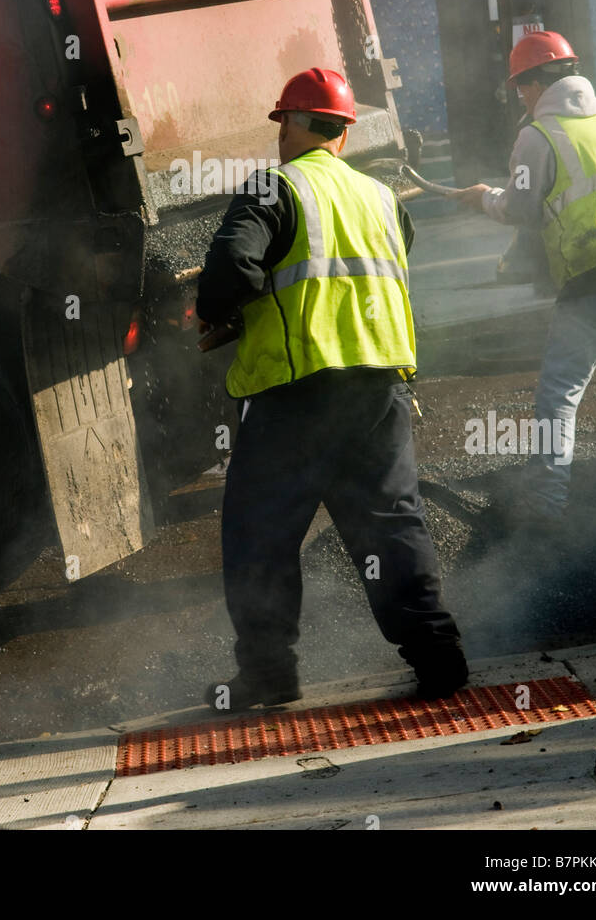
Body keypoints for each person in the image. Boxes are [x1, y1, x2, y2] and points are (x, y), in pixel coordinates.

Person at [196, 67, 467, 712]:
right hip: (380, 390)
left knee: (259, 533)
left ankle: (269, 675)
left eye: (281, 123)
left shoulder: (273, 188)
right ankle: (439, 656)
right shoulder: (381, 198)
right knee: (390, 524)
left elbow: (231, 265)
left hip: (298, 394)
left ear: (292, 124)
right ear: (343, 133)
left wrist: (223, 311)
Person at [458, 31, 596, 526]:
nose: (520, 97)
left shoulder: (537, 135)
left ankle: (546, 503)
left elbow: (521, 209)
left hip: (592, 274)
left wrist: (484, 196)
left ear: (532, 83)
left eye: (519, 87)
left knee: (559, 392)